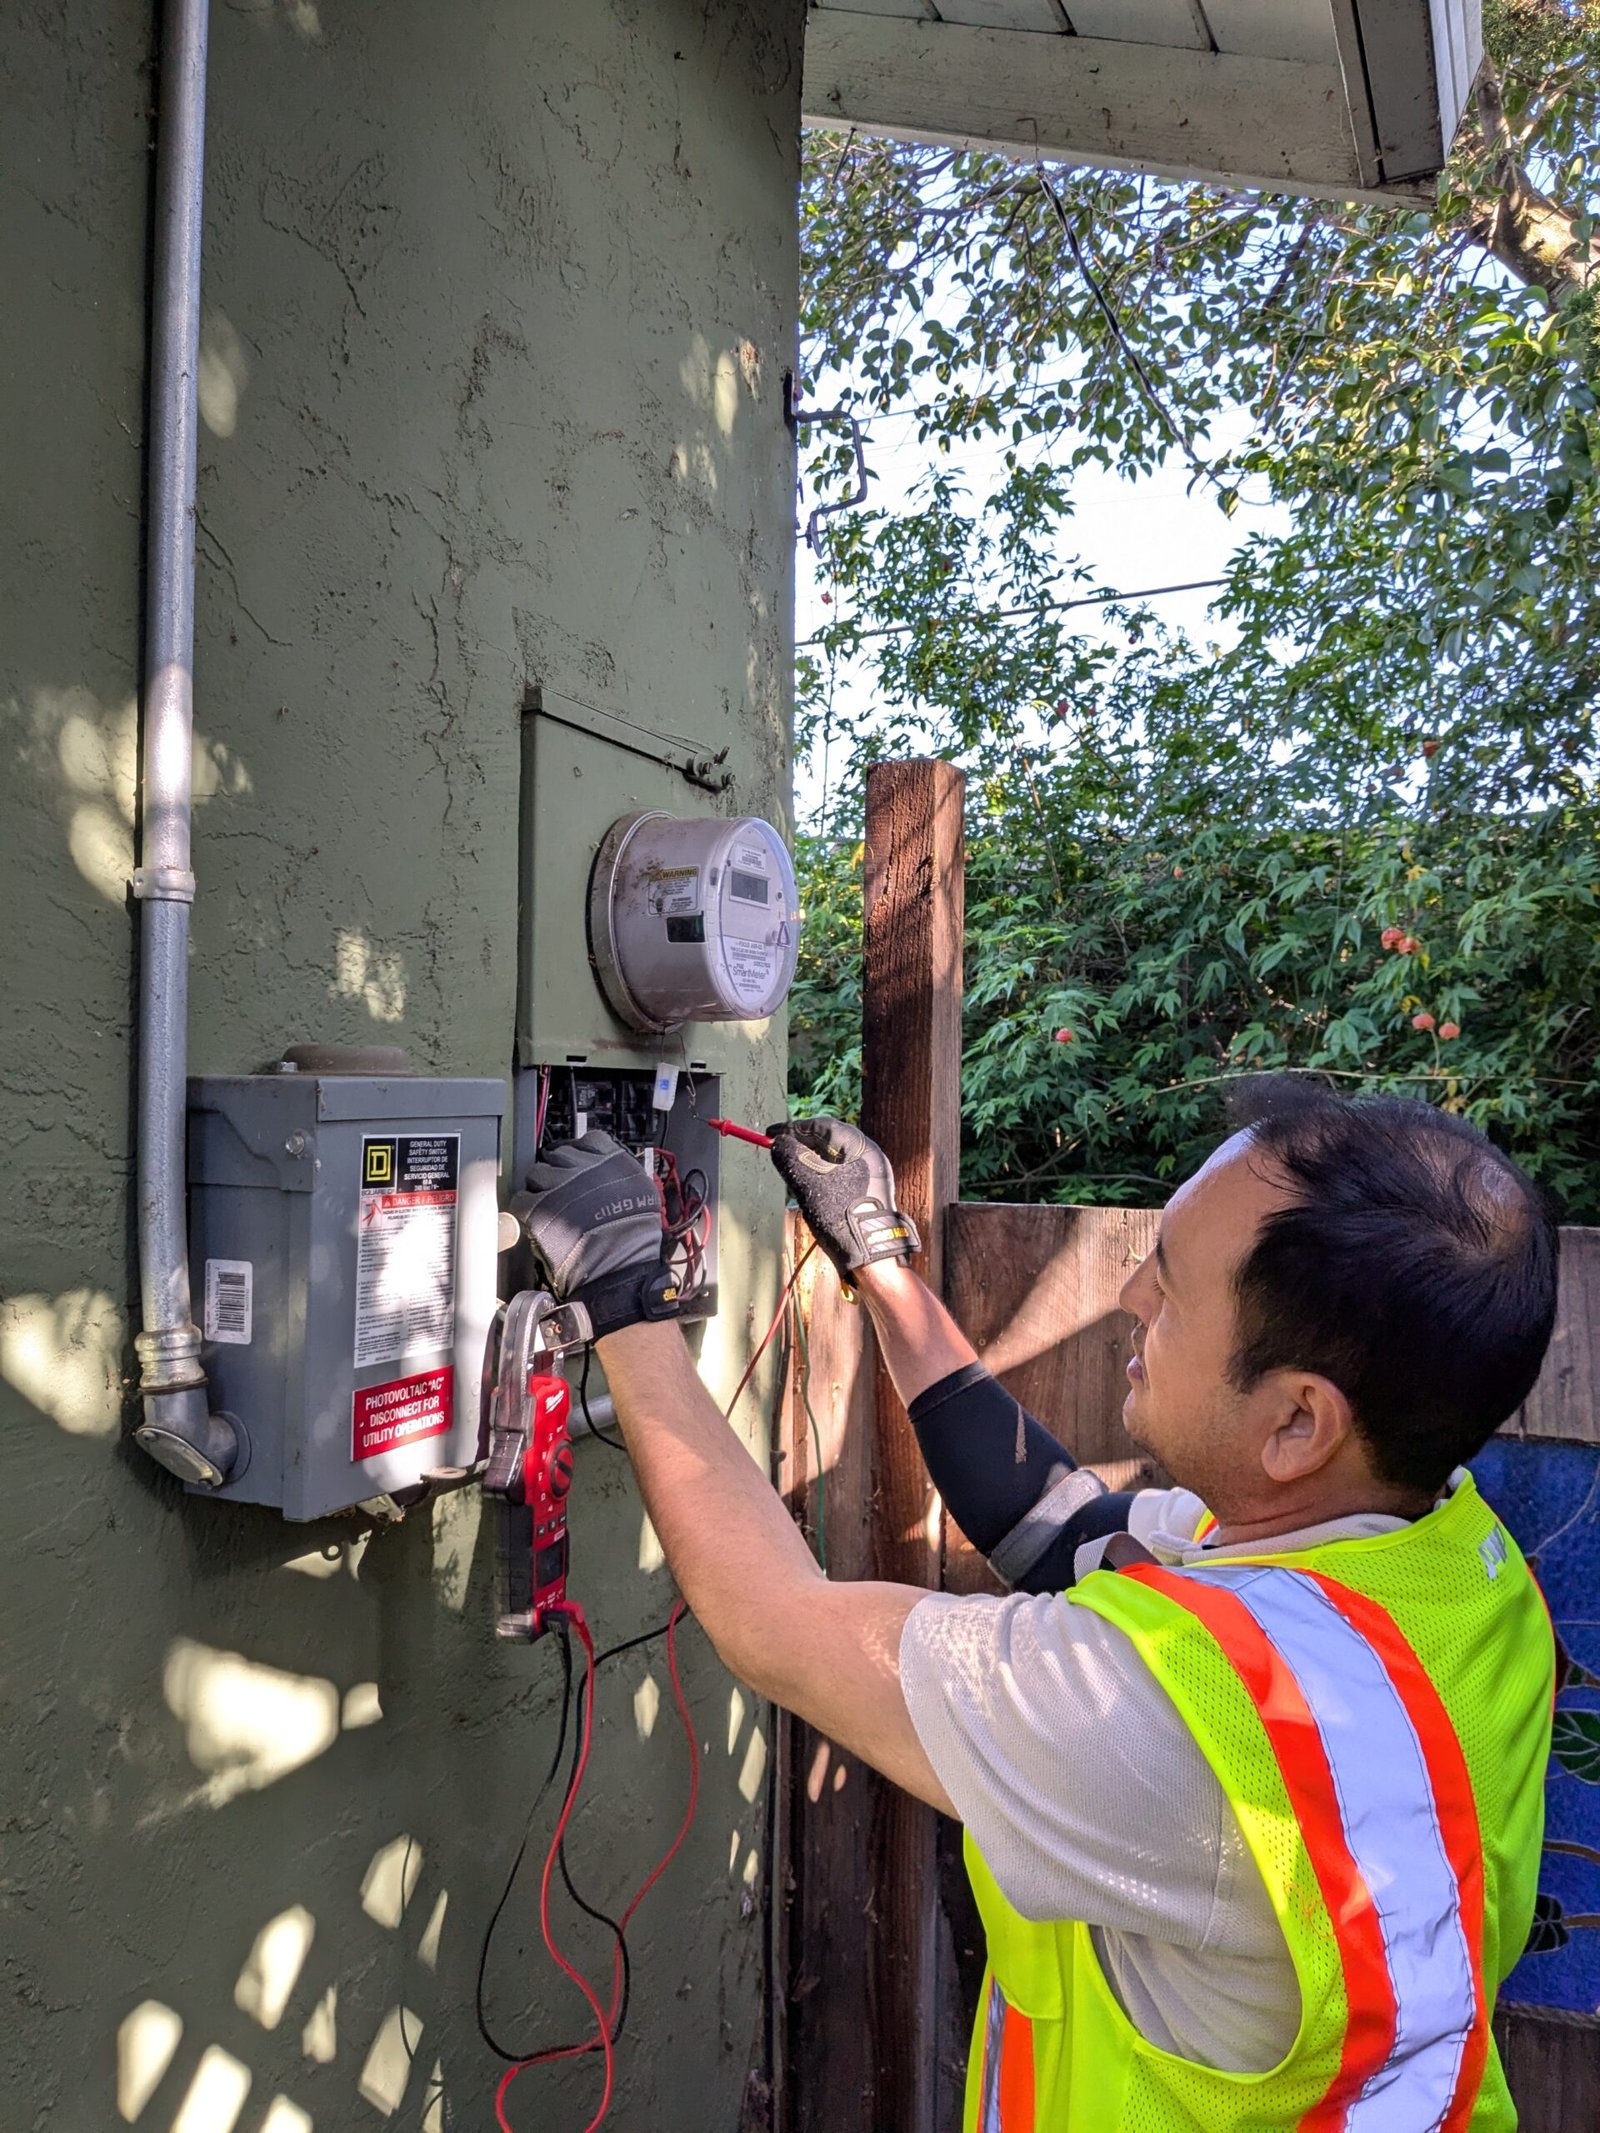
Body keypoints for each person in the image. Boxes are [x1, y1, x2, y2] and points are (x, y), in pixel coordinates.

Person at [518, 1076, 1559, 2131]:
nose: (1131, 1298)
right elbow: (1060, 1530)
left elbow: (773, 1623)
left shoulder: (1170, 1722)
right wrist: (878, 1261)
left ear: (1297, 1425)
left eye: (1173, 1287)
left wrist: (624, 1306)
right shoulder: (1447, 1569)